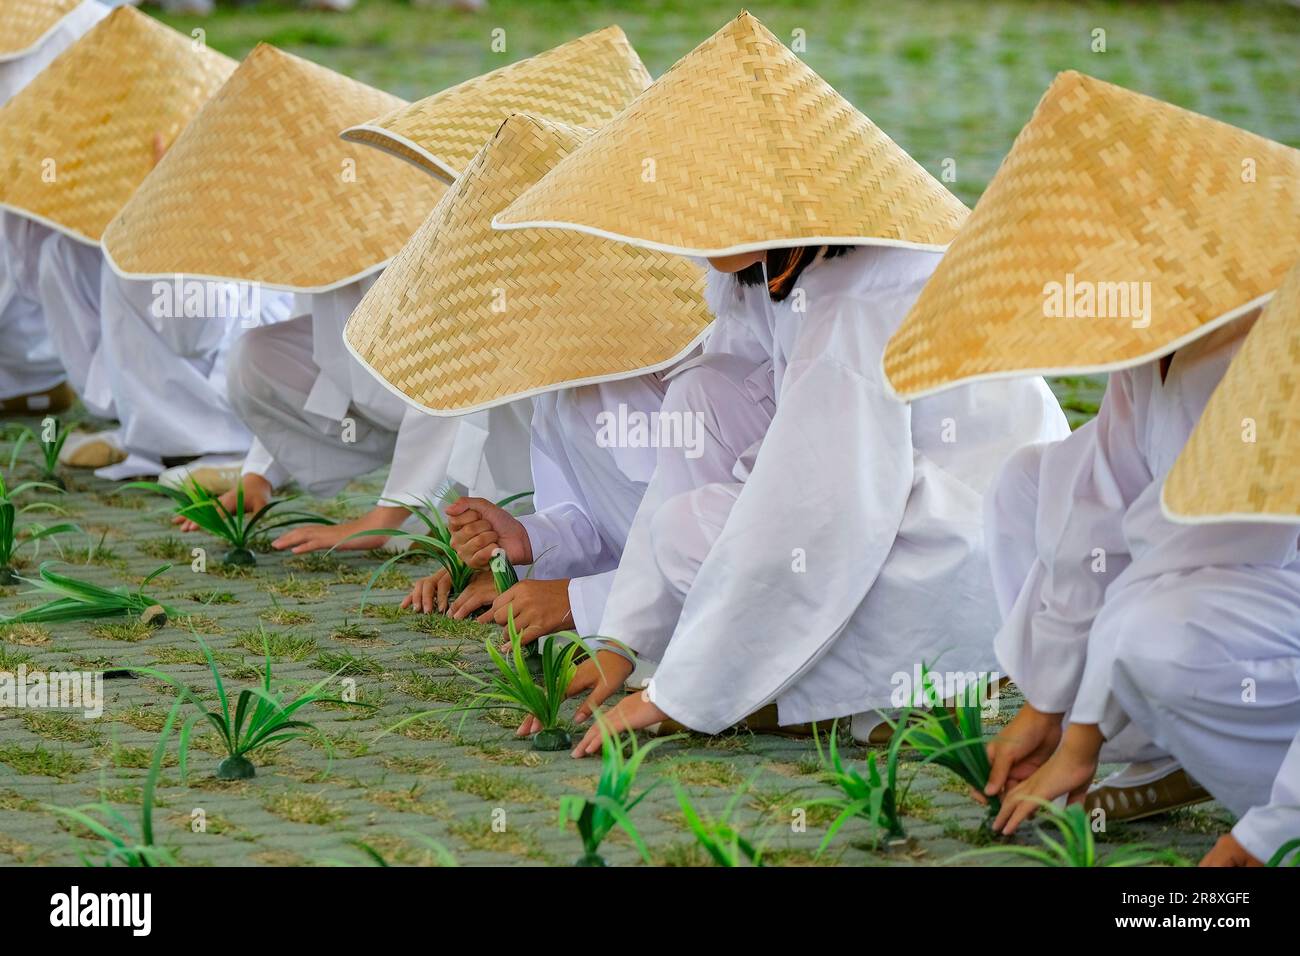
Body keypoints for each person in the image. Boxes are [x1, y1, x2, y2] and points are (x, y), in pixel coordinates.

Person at [493, 12, 1069, 753]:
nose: (694, 231)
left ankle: (839, 680)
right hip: (874, 494)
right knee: (701, 401)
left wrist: (678, 695)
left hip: (958, 539)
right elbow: (716, 441)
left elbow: (816, 515)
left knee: (695, 532)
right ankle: (714, 661)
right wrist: (622, 642)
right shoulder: (765, 269)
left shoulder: (858, 302)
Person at [878, 70, 1300, 848]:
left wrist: (1076, 741)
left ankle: (1260, 789)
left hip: (1268, 611)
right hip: (1213, 596)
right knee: (1032, 482)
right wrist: (1045, 706)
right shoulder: (1160, 337)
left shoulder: (1269, 347)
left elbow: (1174, 557)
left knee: (1151, 630)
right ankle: (1152, 751)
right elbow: (1097, 513)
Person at [335, 113, 710, 637]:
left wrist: (578, 599)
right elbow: (601, 524)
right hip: (649, 607)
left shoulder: (686, 378)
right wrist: (526, 539)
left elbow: (717, 545)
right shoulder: (562, 384)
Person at [101, 42, 494, 540]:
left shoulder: (422, 233)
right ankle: (297, 478)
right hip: (378, 408)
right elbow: (323, 350)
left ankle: (409, 510)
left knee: (446, 375)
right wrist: (258, 478)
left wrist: (382, 519)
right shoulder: (315, 235)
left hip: (473, 424)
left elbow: (456, 380)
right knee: (257, 353)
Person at [0, 6, 244, 480]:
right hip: (84, 191)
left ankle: (225, 442)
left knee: (155, 267)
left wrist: (171, 200)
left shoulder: (78, 27)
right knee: (59, 254)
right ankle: (141, 422)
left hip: (181, 193)